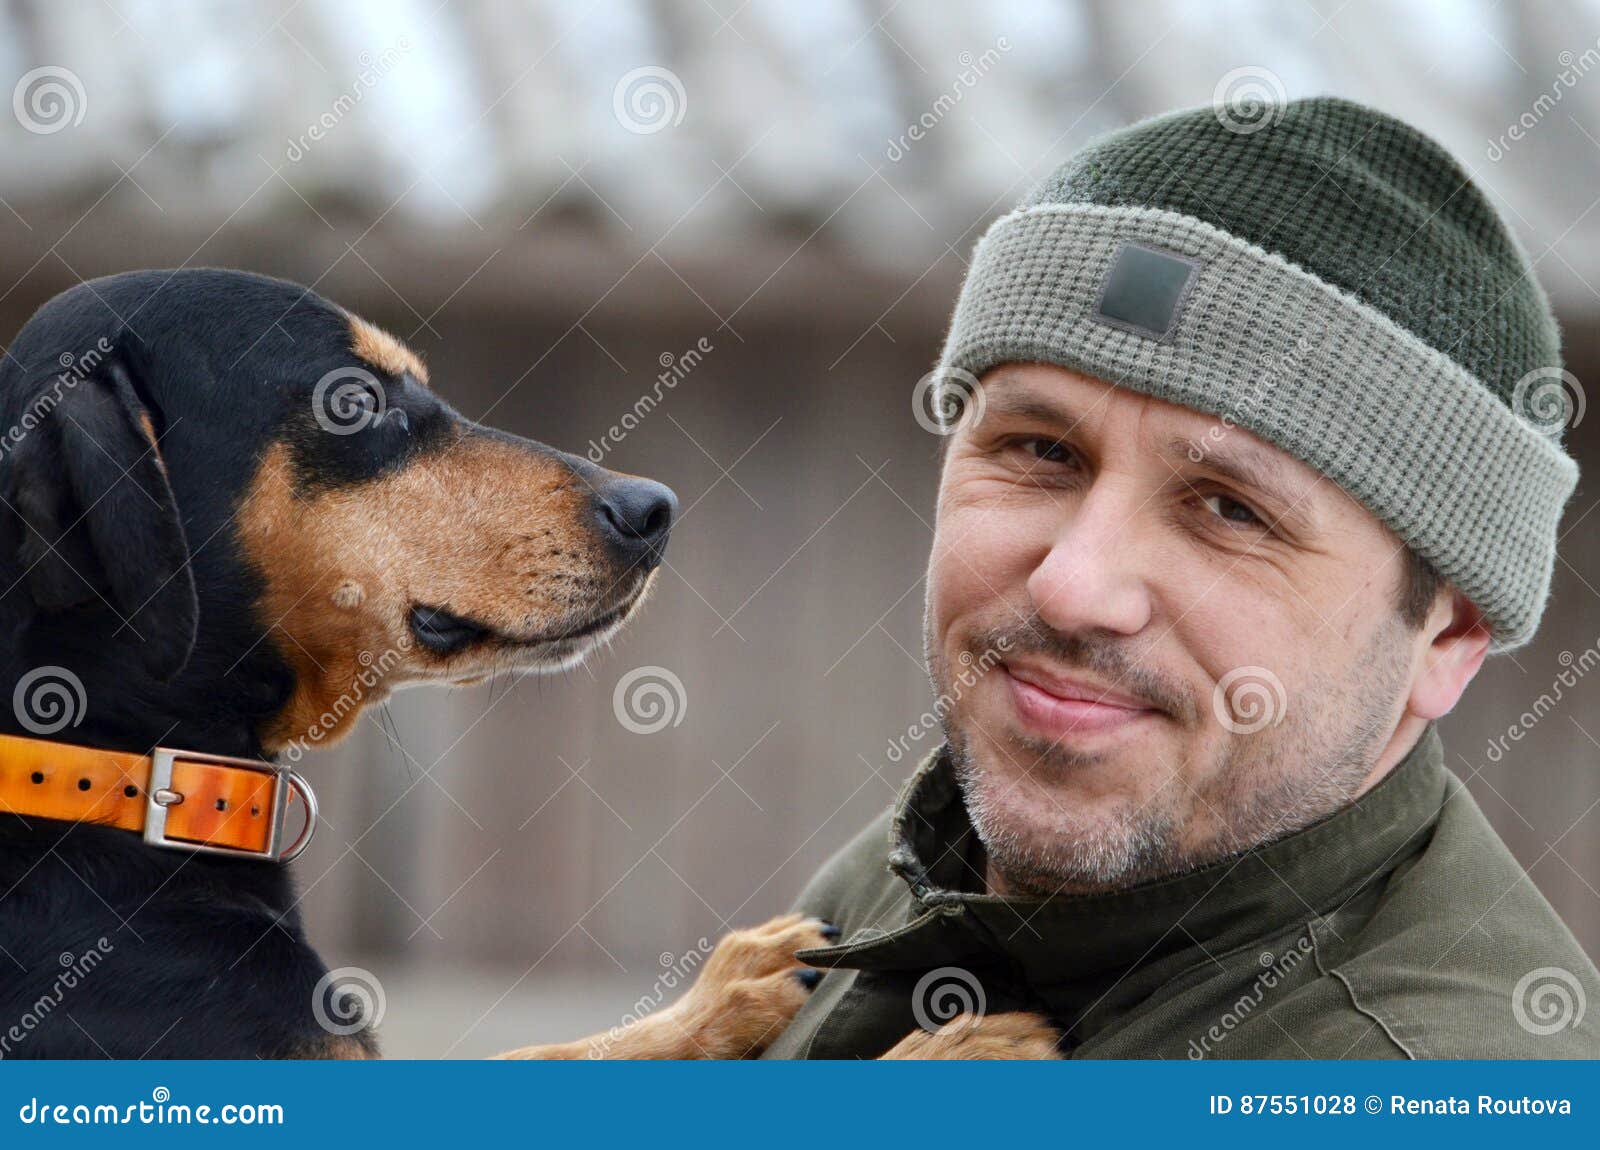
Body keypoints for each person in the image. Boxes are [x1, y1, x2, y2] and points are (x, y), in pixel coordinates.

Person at [764, 96, 1600, 1059]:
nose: (1072, 587)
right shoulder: (924, 871)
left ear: (1447, 635)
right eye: (1041, 450)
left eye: (1231, 510)